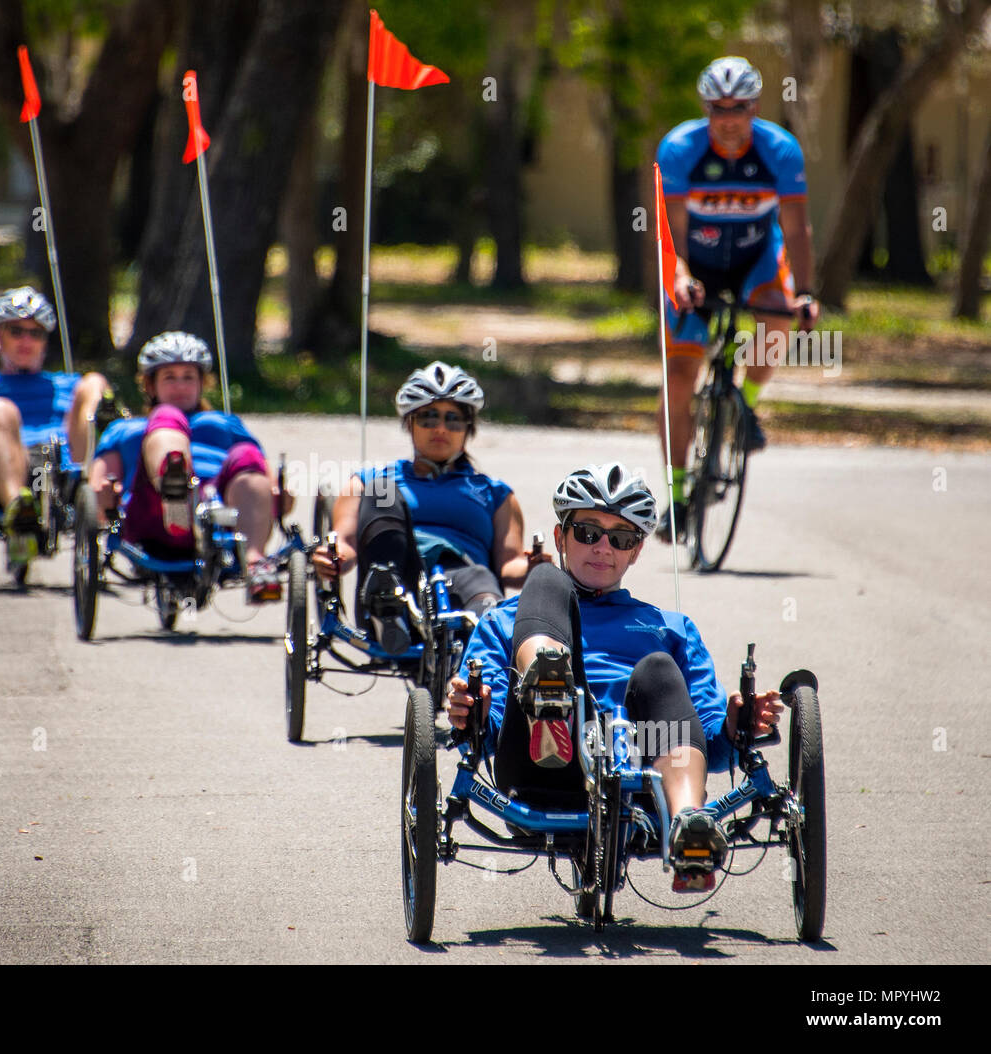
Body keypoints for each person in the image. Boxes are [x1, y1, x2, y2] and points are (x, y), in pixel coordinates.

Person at [445, 462, 784, 891]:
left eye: (620, 537)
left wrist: (738, 725)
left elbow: (712, 743)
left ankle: (687, 826)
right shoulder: (502, 620)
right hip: (543, 767)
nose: (602, 547)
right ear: (560, 537)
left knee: (658, 669)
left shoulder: (671, 627)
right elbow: (488, 732)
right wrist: (473, 710)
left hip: (645, 772)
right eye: (587, 532)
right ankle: (549, 688)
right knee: (547, 579)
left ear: (636, 551)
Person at [655, 56, 820, 538]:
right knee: (680, 378)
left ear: (755, 107)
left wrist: (807, 292)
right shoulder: (680, 149)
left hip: (756, 259)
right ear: (705, 108)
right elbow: (671, 235)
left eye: (739, 107)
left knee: (778, 316)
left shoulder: (779, 150)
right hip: (696, 262)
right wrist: (682, 279)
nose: (728, 118)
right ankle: (680, 495)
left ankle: (743, 407)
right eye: (717, 108)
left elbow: (795, 228)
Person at [312, 362, 546, 655]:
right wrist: (331, 559)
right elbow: (344, 545)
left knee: (483, 582)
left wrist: (534, 567)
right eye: (428, 417)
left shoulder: (496, 494)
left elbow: (508, 564)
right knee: (381, 490)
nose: (440, 428)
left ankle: (487, 633)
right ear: (409, 422)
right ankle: (388, 609)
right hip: (398, 579)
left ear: (467, 429)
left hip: (464, 578)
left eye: (453, 420)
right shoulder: (371, 481)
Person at [89, 331, 287, 604]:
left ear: (201, 383)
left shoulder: (226, 422)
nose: (180, 385)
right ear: (150, 384)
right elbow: (97, 492)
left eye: (188, 377)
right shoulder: (124, 429)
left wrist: (281, 494)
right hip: (152, 510)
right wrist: (104, 494)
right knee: (167, 416)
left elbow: (272, 490)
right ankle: (174, 486)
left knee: (246, 453)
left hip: (220, 511)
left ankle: (255, 564)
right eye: (170, 377)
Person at [0, 286, 113, 569]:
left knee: (93, 382)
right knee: (1, 410)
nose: (26, 340)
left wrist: (95, 390)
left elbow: (91, 392)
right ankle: (21, 513)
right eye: (16, 331)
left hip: (65, 470)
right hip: (2, 468)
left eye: (36, 333)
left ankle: (90, 496)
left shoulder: (69, 384)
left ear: (45, 339)